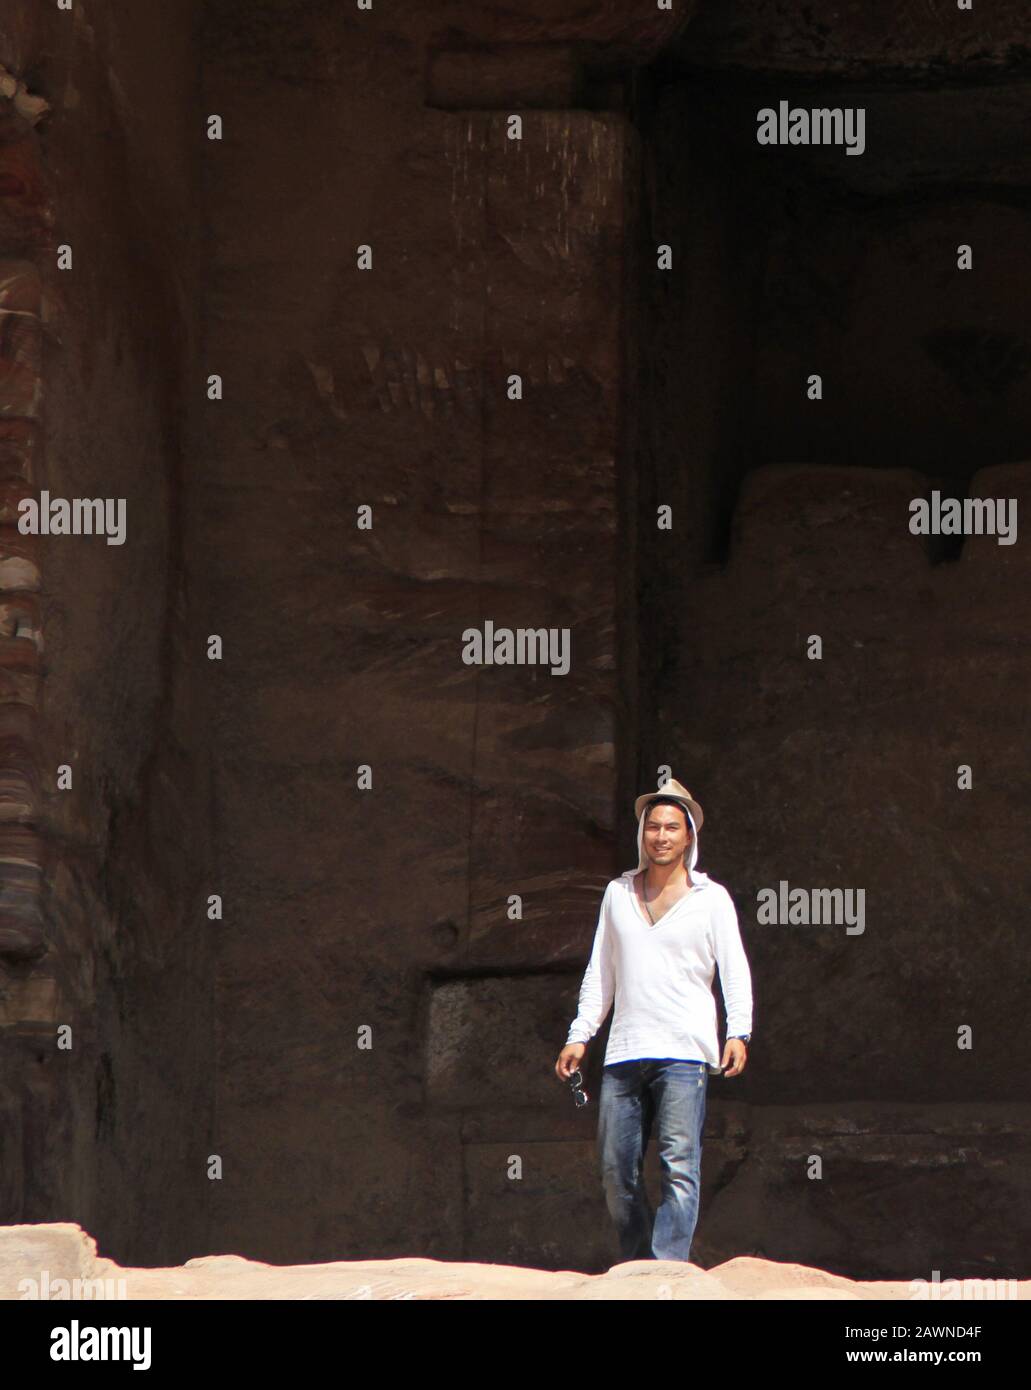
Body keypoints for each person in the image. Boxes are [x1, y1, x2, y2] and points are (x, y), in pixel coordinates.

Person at [554, 779, 753, 1263]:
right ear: (643, 834)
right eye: (654, 827)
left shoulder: (712, 898)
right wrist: (580, 1034)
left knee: (679, 1167)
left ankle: (668, 1273)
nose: (661, 836)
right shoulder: (617, 893)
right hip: (625, 1050)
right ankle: (639, 1267)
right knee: (615, 1170)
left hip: (684, 1052)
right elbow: (601, 970)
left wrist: (738, 1031)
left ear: (689, 837)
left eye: (672, 827)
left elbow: (735, 967)